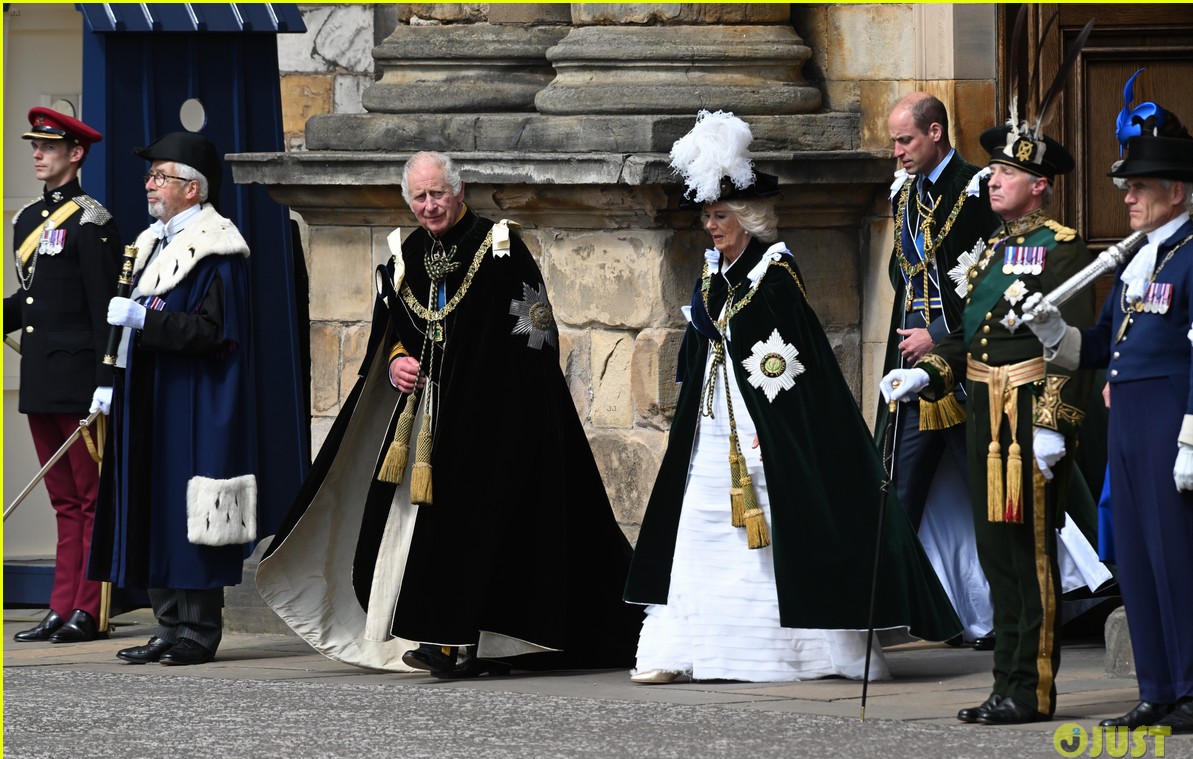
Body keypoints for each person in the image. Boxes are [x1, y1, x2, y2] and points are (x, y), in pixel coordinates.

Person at [257, 151, 641, 676]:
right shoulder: (406, 255)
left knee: (474, 529)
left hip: (495, 419)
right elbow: (390, 332)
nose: (430, 205)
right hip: (423, 422)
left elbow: (533, 338)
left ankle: (460, 643)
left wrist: (488, 401)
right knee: (419, 525)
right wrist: (397, 364)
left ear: (459, 192)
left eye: (438, 193)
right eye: (419, 196)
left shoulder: (500, 248)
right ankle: (435, 635)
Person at [625, 110, 960, 684]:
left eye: (721, 214)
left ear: (748, 217)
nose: (711, 224)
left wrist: (771, 422)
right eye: (707, 214)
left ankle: (789, 651)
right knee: (700, 526)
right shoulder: (714, 273)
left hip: (760, 422)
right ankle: (681, 650)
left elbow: (792, 362)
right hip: (711, 422)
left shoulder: (773, 272)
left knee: (773, 526)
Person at [881, 116, 1097, 724]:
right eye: (995, 170)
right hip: (984, 415)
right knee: (994, 554)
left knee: (1029, 554)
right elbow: (975, 338)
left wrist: (1055, 422)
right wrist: (930, 373)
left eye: (1007, 172)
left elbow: (1071, 345)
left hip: (1028, 419)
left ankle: (1031, 689)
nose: (994, 181)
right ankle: (1005, 681)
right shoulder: (993, 252)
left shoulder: (1063, 248)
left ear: (1039, 185)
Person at [1022, 105, 1193, 733]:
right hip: (1128, 416)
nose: (1127, 198)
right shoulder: (1136, 260)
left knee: (1178, 557)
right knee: (1134, 557)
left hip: (1170, 415)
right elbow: (1101, 344)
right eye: (1127, 188)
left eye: (1138, 188)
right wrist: (1055, 332)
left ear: (1176, 192)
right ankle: (1157, 688)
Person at [88, 132, 259, 666]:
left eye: (160, 176)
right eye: (152, 176)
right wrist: (109, 381)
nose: (150, 185)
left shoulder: (218, 248)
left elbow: (214, 332)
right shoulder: (149, 242)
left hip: (192, 399)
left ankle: (199, 630)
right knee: (154, 506)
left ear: (192, 188)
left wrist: (147, 320)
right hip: (148, 396)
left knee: (191, 513)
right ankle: (166, 623)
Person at [879, 92, 1000, 648]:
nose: (897, 152)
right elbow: (902, 278)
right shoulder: (904, 194)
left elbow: (992, 289)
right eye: (894, 142)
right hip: (911, 370)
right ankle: (900, 609)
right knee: (900, 489)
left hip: (964, 366)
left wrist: (942, 338)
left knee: (987, 490)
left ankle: (1001, 615)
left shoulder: (976, 189)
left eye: (905, 140)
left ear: (935, 132)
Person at [5, 107, 121, 643]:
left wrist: (106, 380)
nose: (37, 154)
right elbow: (32, 301)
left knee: (90, 497)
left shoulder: (92, 221)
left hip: (79, 380)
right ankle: (60, 606)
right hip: (42, 379)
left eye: (48, 147)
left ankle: (90, 610)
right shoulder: (27, 219)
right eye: (35, 146)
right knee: (62, 500)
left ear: (75, 154)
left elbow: (105, 308)